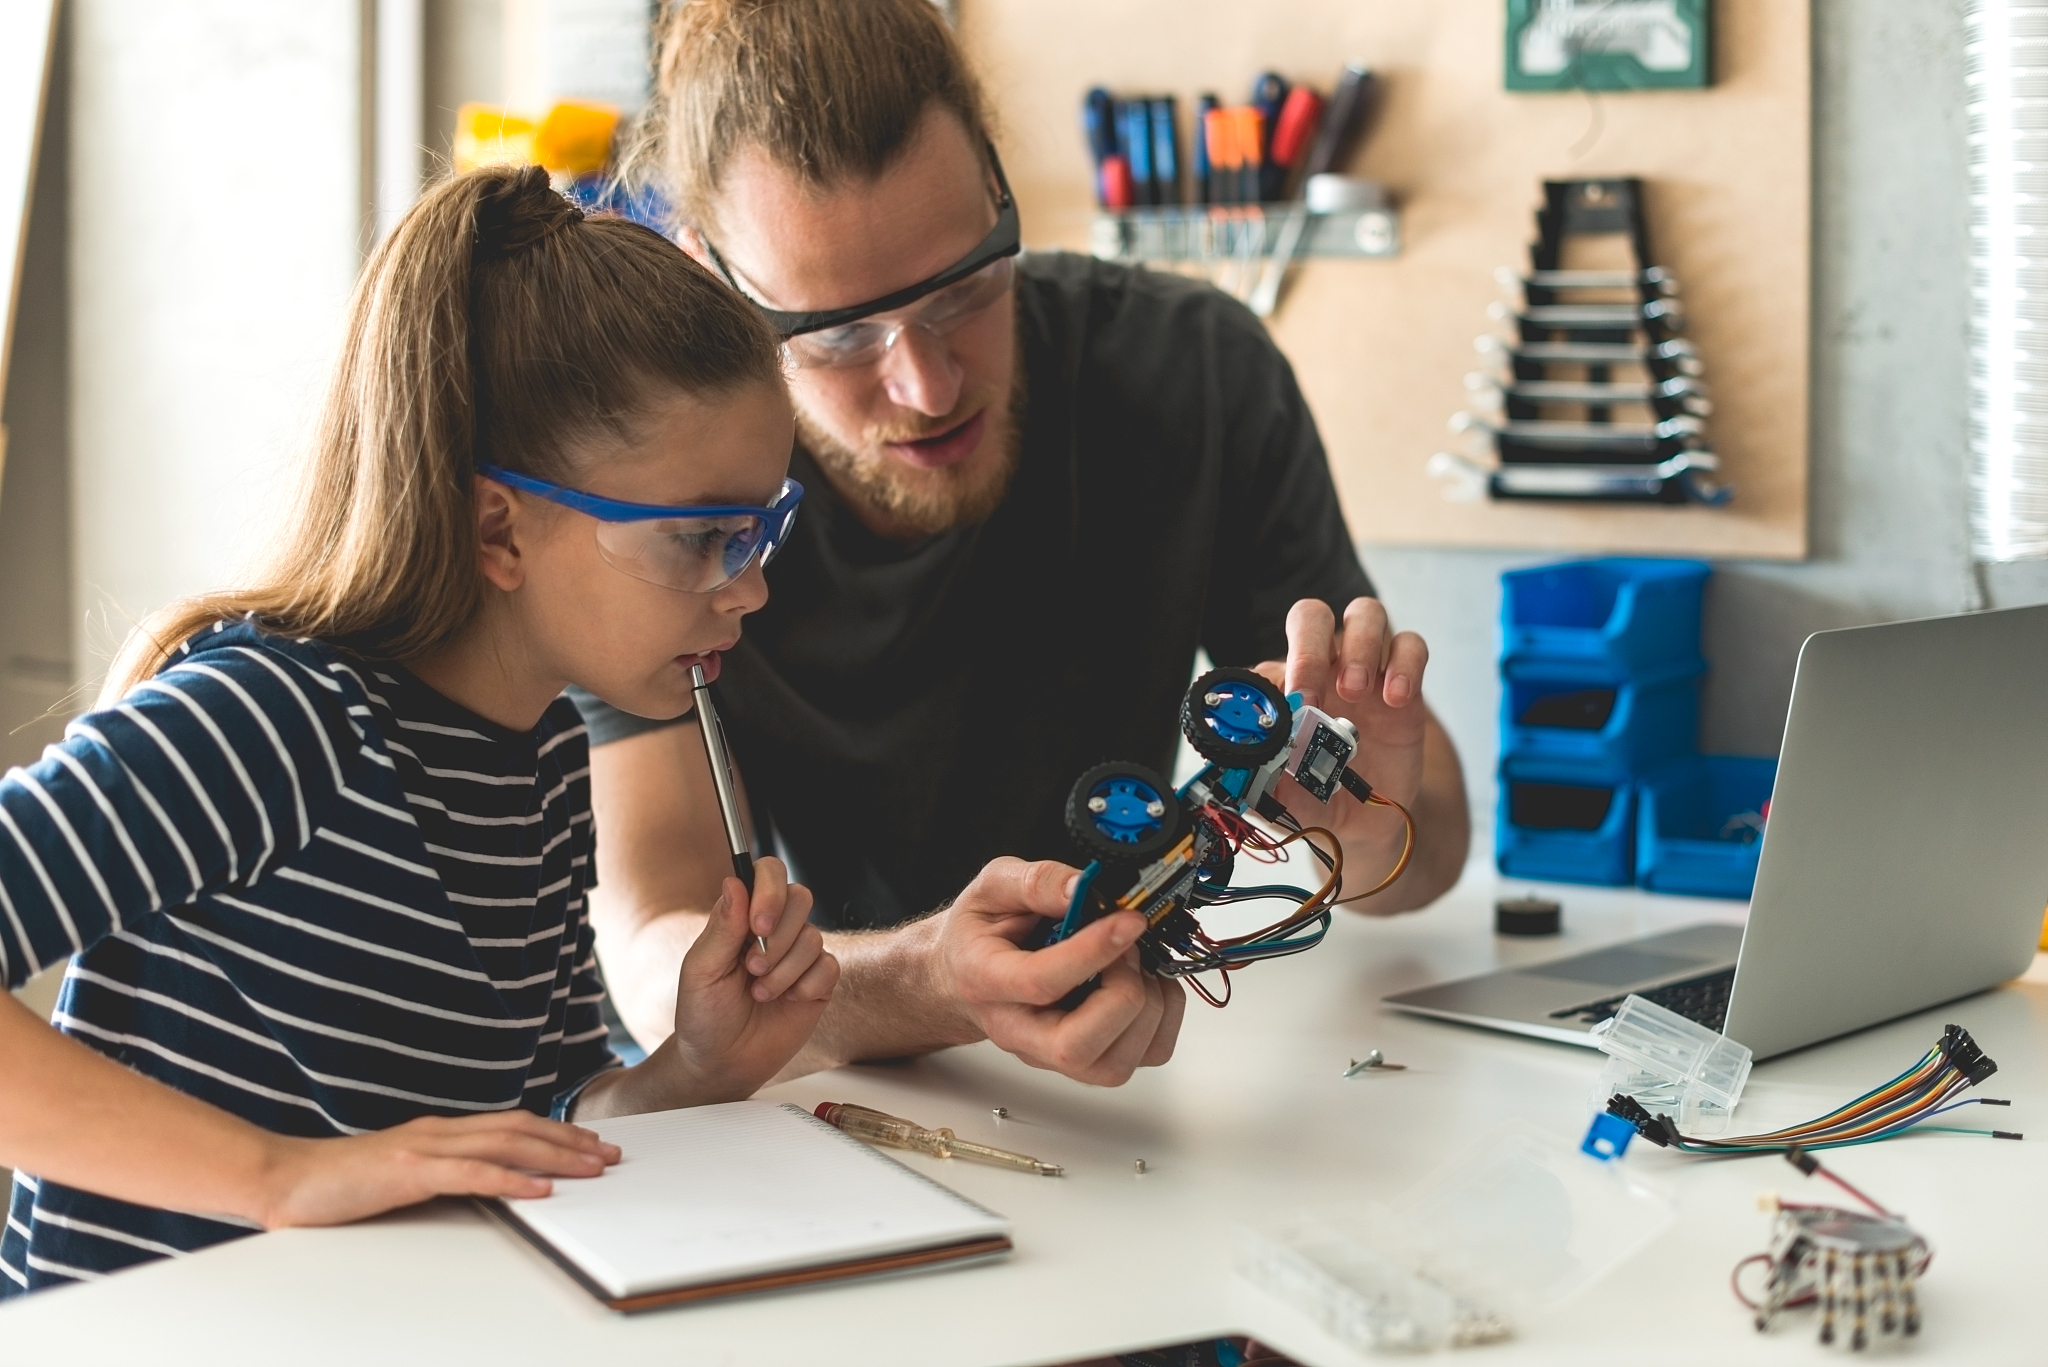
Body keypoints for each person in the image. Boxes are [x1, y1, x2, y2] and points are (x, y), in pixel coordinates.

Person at [576, 0, 1471, 1086]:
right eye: (841, 335)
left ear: (1000, 193)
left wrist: (1362, 828)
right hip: (798, 1108)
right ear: (713, 282)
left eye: (965, 288)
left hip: (1116, 1107)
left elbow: (1430, 848)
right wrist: (924, 983)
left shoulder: (1190, 376)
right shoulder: (660, 487)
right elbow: (654, 953)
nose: (927, 385)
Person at [0, 166, 841, 1293]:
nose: (750, 588)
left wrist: (690, 1067)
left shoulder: (546, 761)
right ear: (499, 530)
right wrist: (281, 1177)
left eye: (759, 530)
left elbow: (533, 1123)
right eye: (700, 538)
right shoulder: (271, 723)